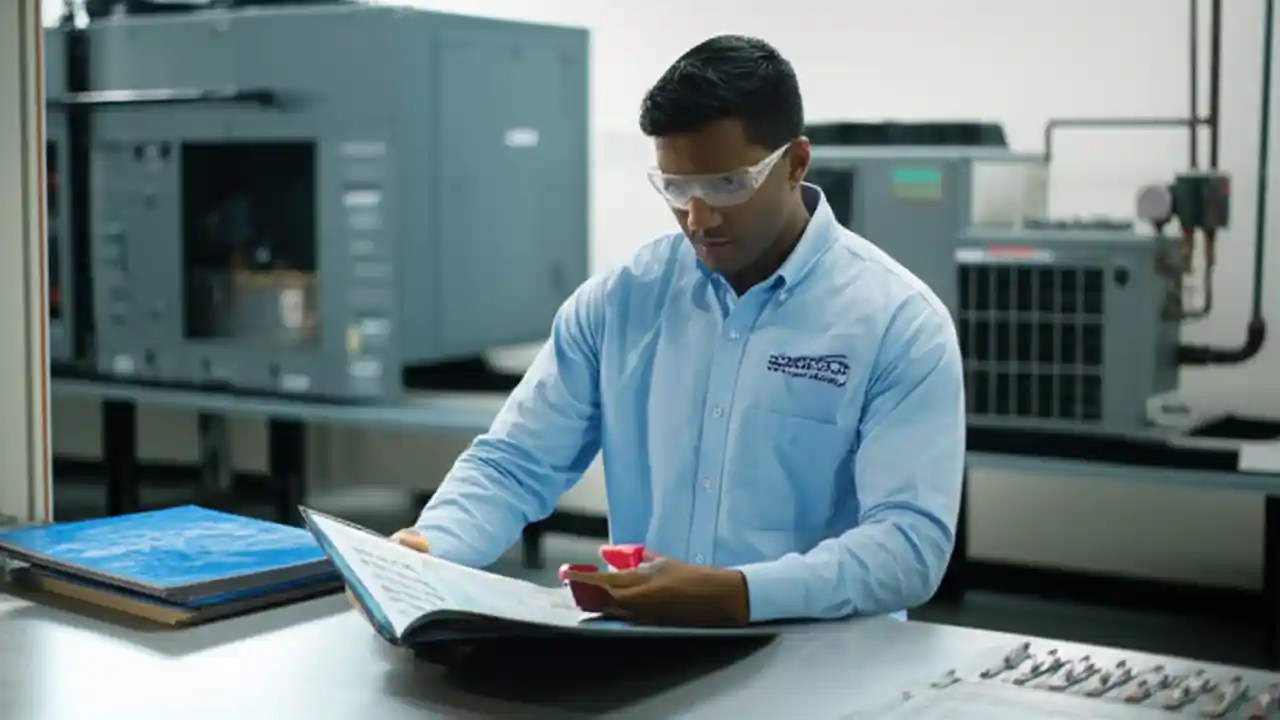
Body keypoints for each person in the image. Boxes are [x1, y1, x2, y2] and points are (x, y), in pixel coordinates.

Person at [371, 34, 965, 628]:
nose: (698, 218)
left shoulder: (897, 323)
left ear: (796, 163)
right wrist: (428, 552)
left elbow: (909, 546)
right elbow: (515, 464)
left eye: (728, 184)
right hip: (650, 658)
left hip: (826, 667)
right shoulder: (619, 303)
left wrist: (738, 594)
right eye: (677, 189)